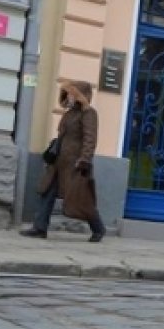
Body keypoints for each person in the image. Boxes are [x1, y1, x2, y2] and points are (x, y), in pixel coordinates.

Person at [22, 80, 105, 242]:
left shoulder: (89, 113)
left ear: (80, 96)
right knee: (47, 192)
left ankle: (98, 228)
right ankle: (40, 228)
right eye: (67, 94)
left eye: (72, 94)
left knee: (81, 197)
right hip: (58, 162)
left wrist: (85, 160)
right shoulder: (69, 113)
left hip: (75, 164)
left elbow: (90, 138)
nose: (69, 97)